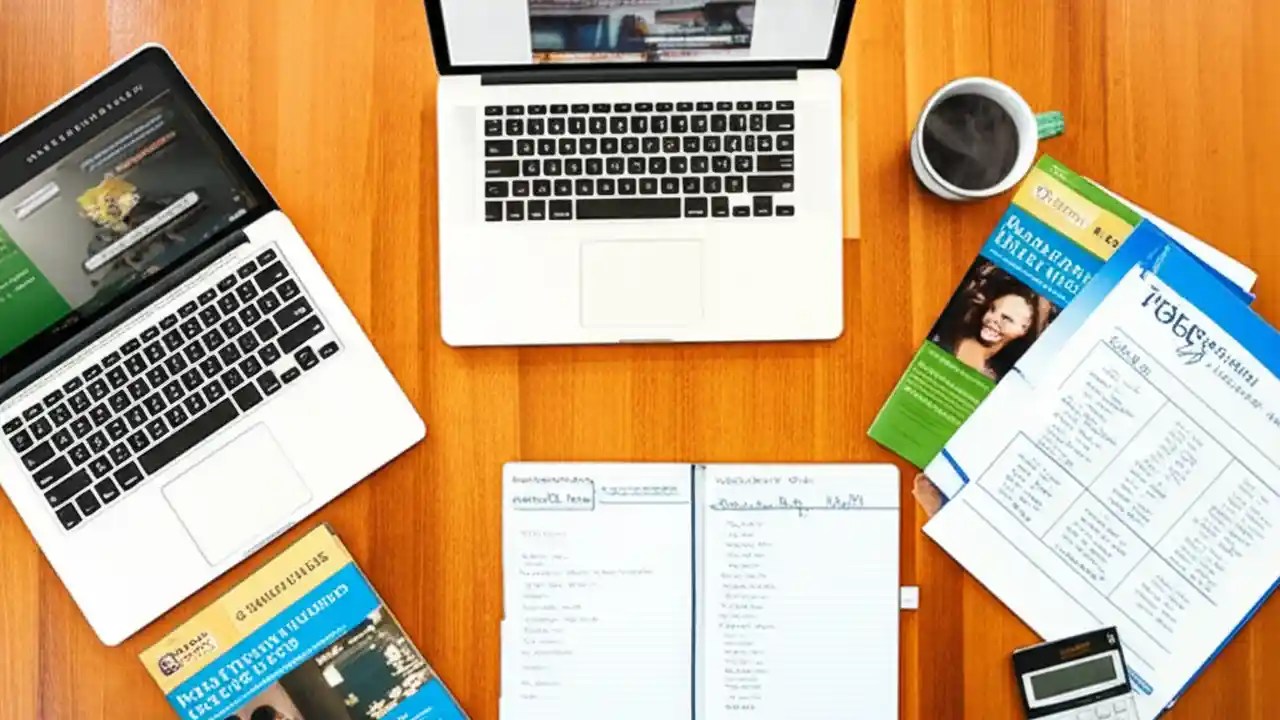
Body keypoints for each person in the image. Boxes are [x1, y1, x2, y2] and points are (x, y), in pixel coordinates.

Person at [933, 281, 1043, 381]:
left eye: (1006, 319)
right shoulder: (949, 337)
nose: (993, 319)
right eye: (992, 309)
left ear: (1023, 330)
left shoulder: (1002, 375)